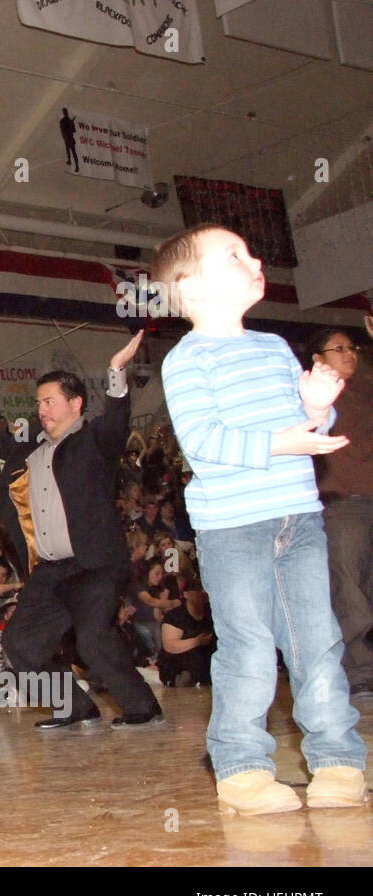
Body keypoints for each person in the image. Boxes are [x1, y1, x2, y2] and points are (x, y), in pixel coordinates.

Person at [155, 224, 366, 814]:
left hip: (299, 517)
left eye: (252, 251)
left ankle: (337, 761)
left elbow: (306, 430)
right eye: (234, 256)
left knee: (318, 642)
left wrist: (317, 407)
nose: (254, 261)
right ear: (190, 286)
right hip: (233, 528)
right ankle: (243, 769)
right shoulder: (185, 359)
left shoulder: (274, 348)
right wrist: (284, 440)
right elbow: (203, 440)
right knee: (247, 645)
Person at [0, 330, 163, 732]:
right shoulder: (30, 452)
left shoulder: (94, 442)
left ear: (75, 403)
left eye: (49, 401)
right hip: (50, 570)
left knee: (92, 637)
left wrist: (115, 372)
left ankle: (142, 706)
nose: (41, 409)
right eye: (39, 402)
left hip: (94, 565)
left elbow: (116, 421)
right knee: (19, 642)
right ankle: (74, 706)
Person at [306, 323, 373, 695]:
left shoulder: (365, 389)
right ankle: (357, 671)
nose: (349, 353)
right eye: (338, 348)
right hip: (342, 502)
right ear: (318, 359)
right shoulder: (314, 397)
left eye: (353, 347)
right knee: (350, 591)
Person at [158, 588, 215, 687]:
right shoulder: (175, 616)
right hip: (179, 662)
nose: (202, 593)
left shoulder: (212, 613)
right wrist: (197, 641)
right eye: (197, 590)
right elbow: (170, 645)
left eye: (204, 589)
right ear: (186, 594)